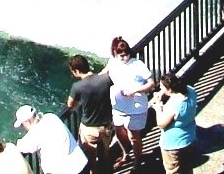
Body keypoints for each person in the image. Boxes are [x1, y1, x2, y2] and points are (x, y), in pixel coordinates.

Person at [100, 37, 155, 170]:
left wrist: (135, 90)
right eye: (121, 55)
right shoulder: (112, 62)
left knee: (133, 136)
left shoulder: (138, 65)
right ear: (114, 53)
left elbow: (151, 84)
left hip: (136, 108)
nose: (124, 57)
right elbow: (102, 74)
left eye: (126, 54)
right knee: (119, 134)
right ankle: (126, 155)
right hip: (118, 107)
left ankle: (137, 161)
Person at [65, 55, 114, 174]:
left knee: (90, 158)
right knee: (105, 153)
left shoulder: (77, 87)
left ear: (76, 71)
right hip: (106, 126)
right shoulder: (106, 79)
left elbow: (70, 104)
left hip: (89, 128)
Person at [15, 105, 89, 174]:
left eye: (22, 125)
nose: (23, 127)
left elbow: (21, 147)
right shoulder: (50, 116)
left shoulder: (36, 133)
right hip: (81, 162)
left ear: (28, 121)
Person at [149, 72, 198, 174]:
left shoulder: (174, 105)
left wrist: (158, 107)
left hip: (173, 144)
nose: (160, 89)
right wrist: (163, 92)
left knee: (173, 170)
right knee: (187, 168)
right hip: (189, 138)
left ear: (170, 89)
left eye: (162, 87)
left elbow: (161, 123)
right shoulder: (190, 91)